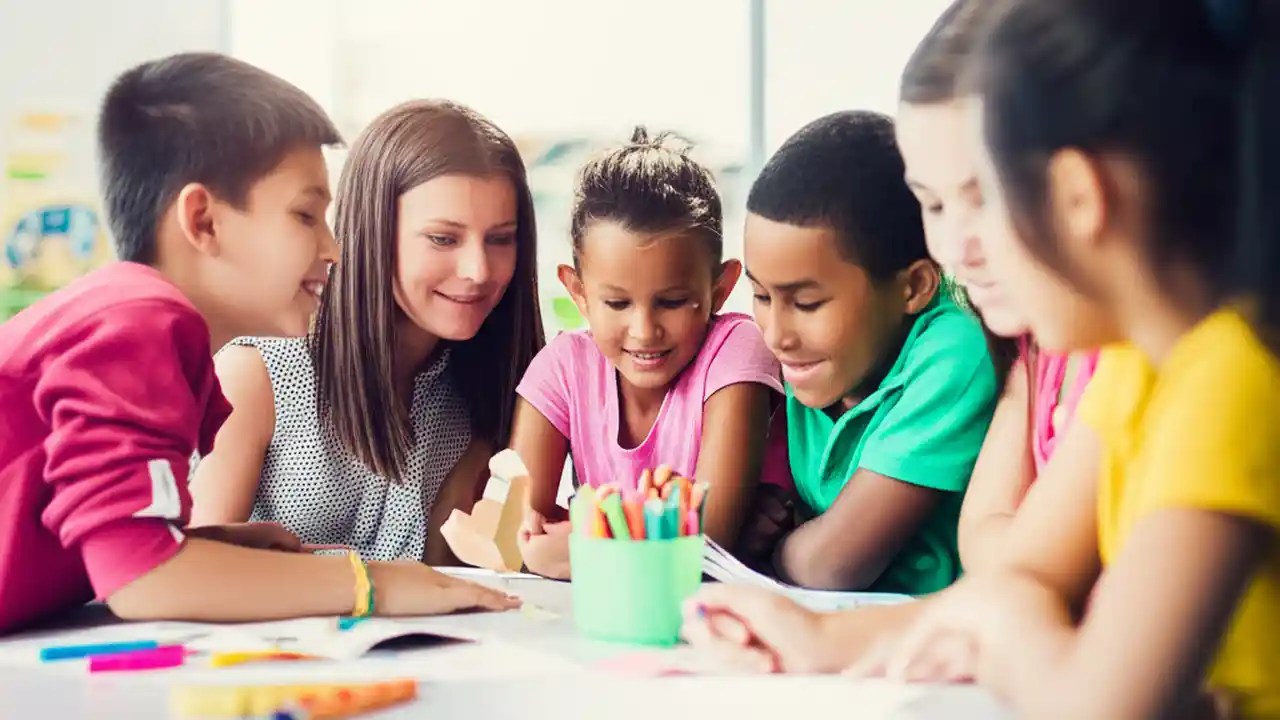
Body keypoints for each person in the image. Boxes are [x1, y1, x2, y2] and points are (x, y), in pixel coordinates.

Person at [0, 54, 517, 635]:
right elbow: (140, 578)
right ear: (204, 221)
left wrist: (215, 545)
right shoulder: (138, 320)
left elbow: (109, 542)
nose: (335, 249)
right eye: (304, 216)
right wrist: (375, 583)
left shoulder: (151, 331)